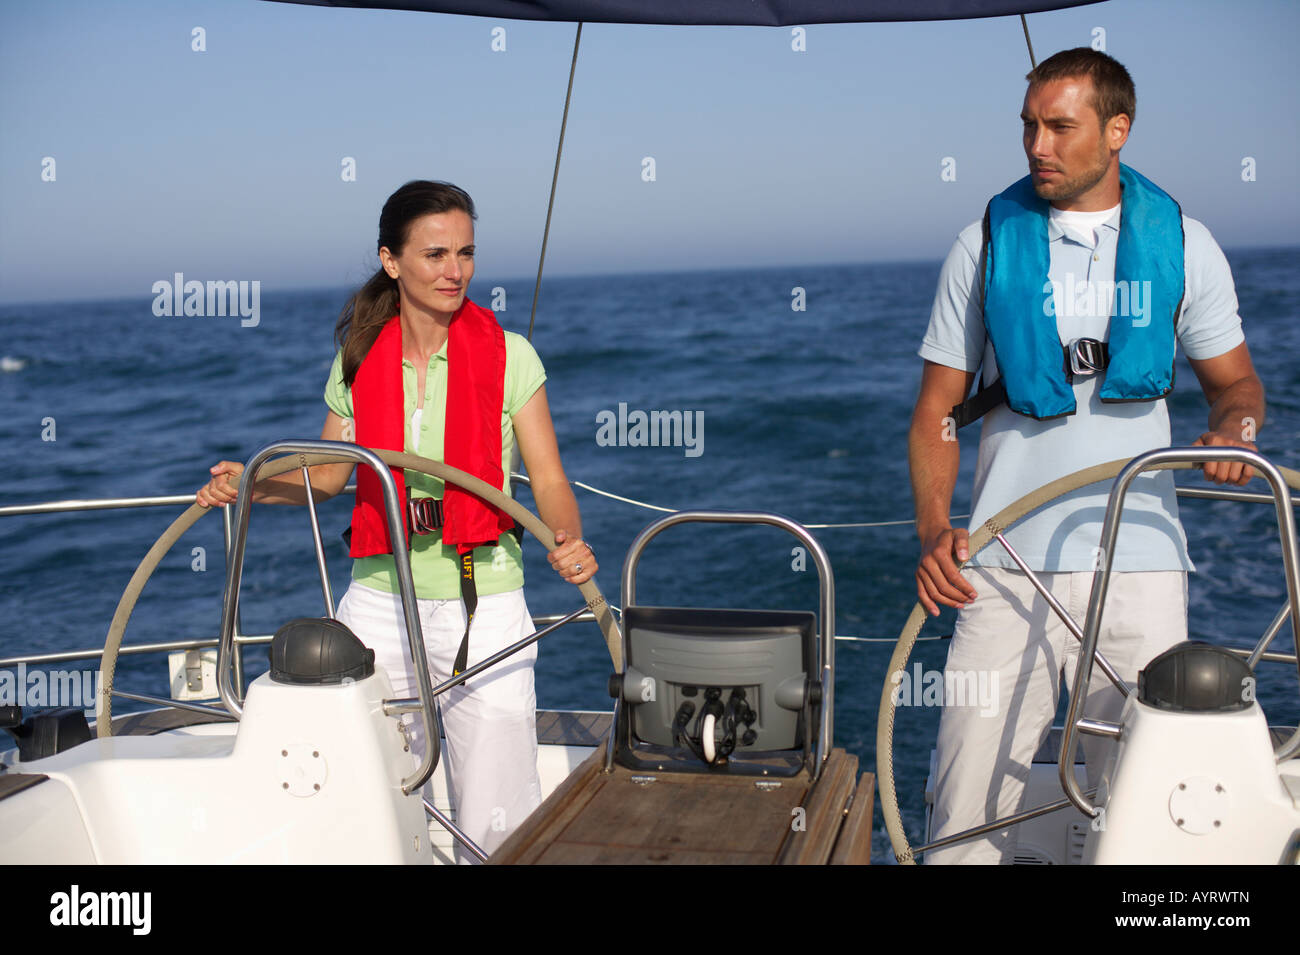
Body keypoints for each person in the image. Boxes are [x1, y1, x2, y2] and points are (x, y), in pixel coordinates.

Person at [908, 49, 1265, 864]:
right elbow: (935, 413)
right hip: (1000, 569)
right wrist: (934, 528)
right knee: (962, 811)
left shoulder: (1185, 243)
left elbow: (1238, 387)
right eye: (1029, 125)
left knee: (1145, 813)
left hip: (1142, 569)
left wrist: (1234, 434)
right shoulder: (983, 246)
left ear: (1117, 131)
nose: (1037, 144)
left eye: (1059, 126)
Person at [197, 180, 596, 862]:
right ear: (391, 260)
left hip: (483, 603)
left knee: (496, 813)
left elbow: (549, 478)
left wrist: (568, 538)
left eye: (465, 253)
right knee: (374, 797)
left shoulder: (512, 357)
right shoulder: (358, 360)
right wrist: (252, 484)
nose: (455, 270)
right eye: (435, 253)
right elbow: (326, 476)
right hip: (378, 603)